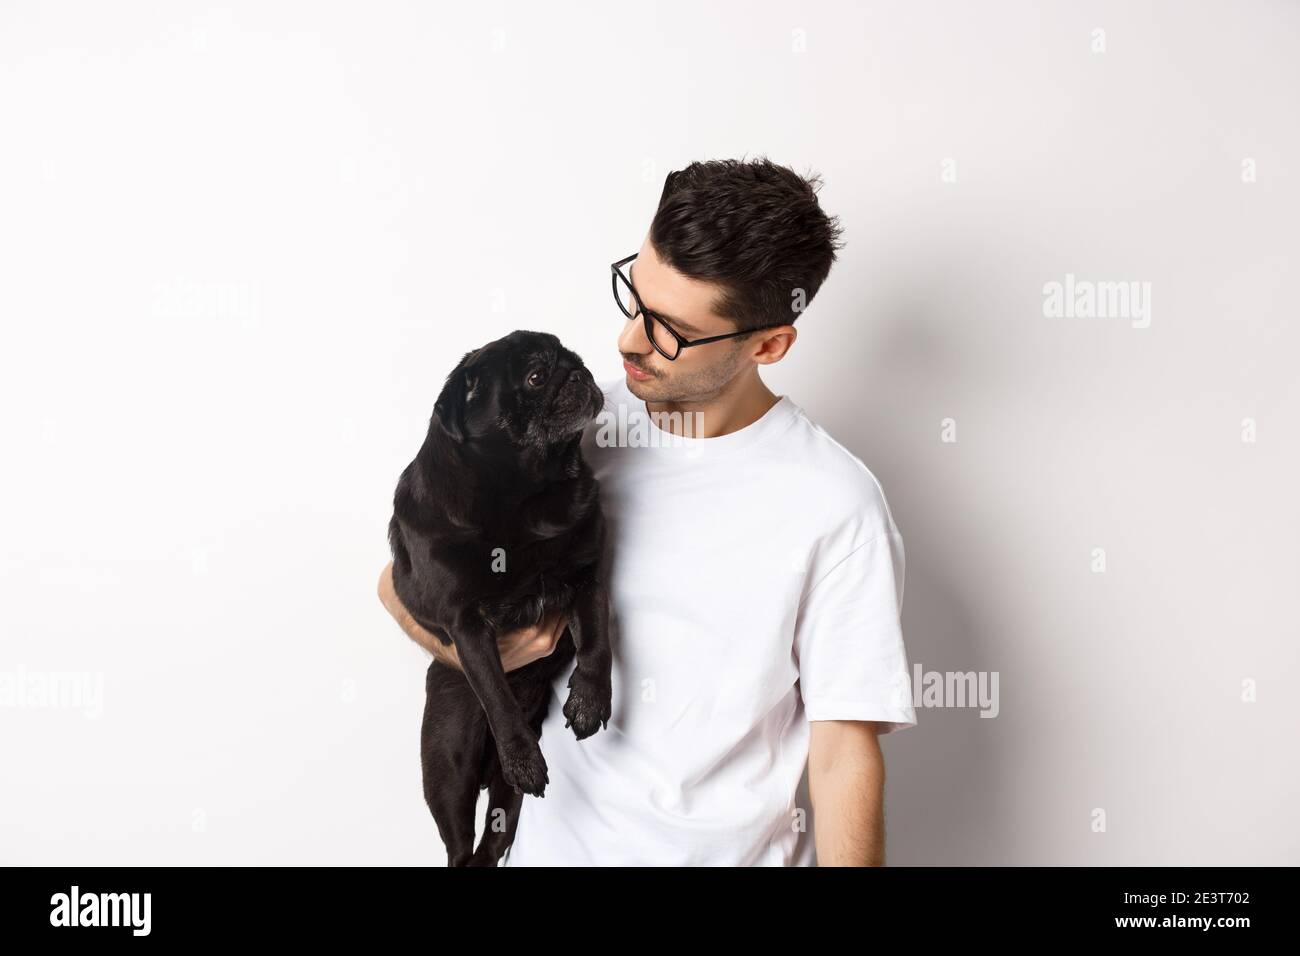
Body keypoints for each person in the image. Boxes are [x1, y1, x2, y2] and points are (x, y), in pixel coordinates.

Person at [377, 158, 916, 865]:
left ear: (768, 344)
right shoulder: (569, 426)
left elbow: (844, 756)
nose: (629, 340)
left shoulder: (835, 507)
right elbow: (401, 582)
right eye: (635, 297)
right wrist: (480, 649)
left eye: (670, 330)